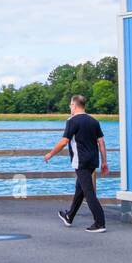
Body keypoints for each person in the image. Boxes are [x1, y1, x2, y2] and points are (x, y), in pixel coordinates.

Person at [43, 94, 109, 232]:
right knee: (80, 189)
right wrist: (104, 162)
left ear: (74, 105)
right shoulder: (94, 121)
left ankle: (100, 223)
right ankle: (69, 216)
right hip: (93, 161)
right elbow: (101, 142)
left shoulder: (72, 121)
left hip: (81, 161)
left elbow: (64, 141)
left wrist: (50, 154)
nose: (70, 108)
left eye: (70, 105)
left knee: (88, 192)